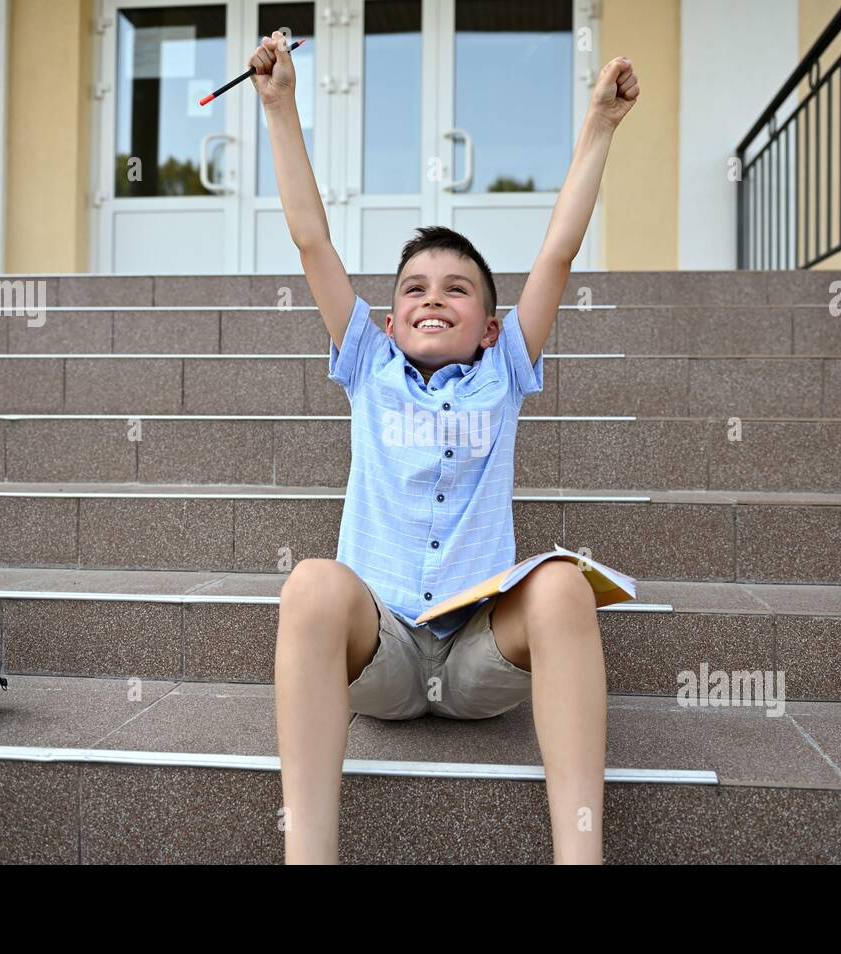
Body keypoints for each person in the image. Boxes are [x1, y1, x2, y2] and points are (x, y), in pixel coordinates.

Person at [250, 29, 639, 864]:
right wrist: (282, 107)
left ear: (491, 325)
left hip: (475, 660)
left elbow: (558, 250)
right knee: (313, 584)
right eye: (414, 289)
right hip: (382, 652)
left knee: (565, 586)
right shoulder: (368, 364)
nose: (434, 298)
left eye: (457, 289)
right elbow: (313, 241)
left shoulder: (506, 370)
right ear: (386, 323)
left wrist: (598, 127)